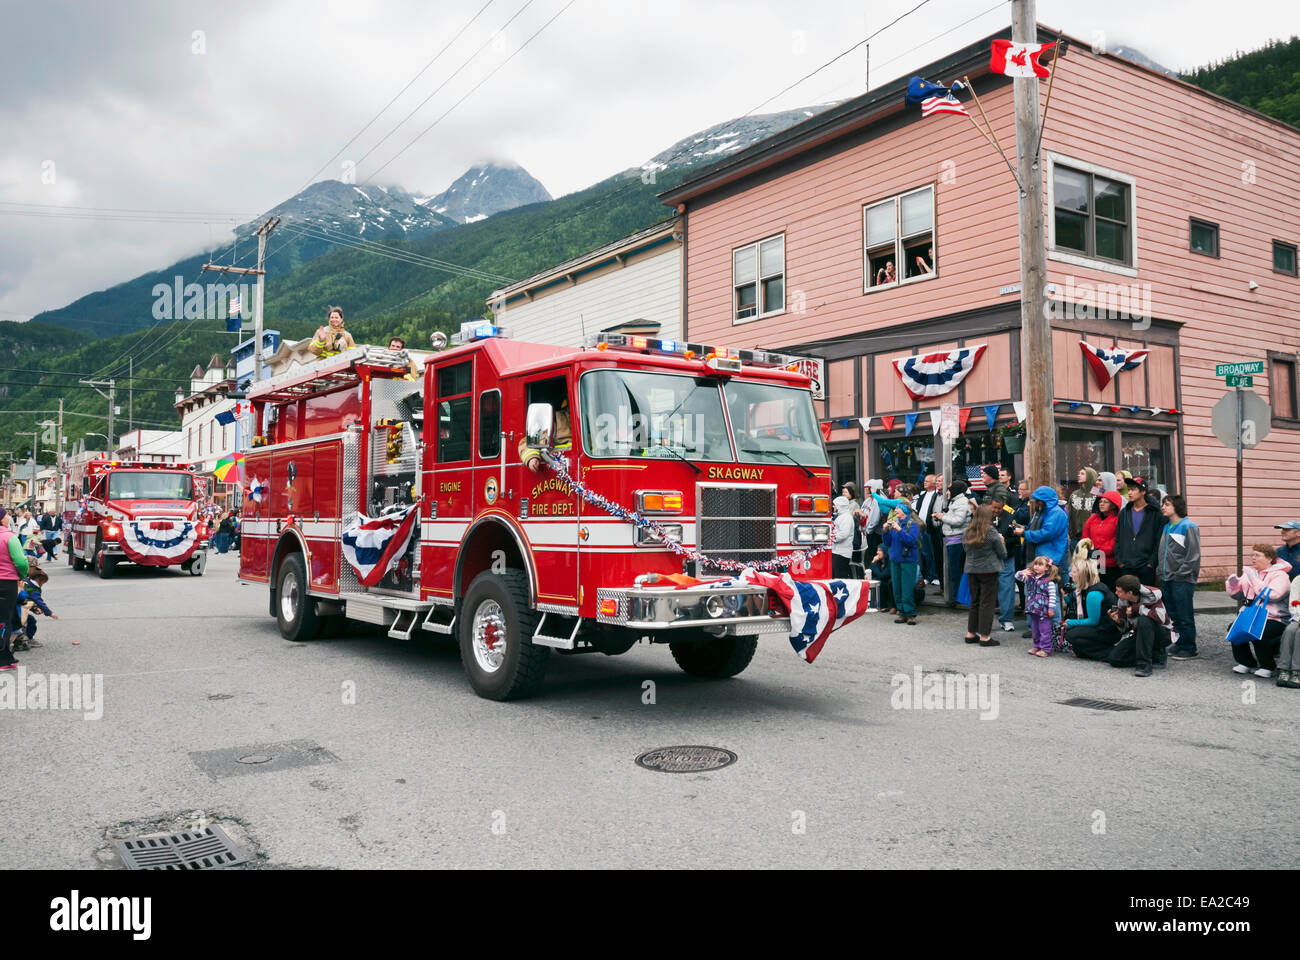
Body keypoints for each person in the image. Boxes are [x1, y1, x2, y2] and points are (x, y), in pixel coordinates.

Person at [1225, 544, 1292, 678]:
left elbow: (1273, 595)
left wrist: (1254, 580)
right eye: (1252, 555)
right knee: (1235, 628)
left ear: (1269, 559)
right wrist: (1232, 584)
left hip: (1275, 618)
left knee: (1259, 632)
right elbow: (1238, 596)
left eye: (1257, 555)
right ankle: (1246, 662)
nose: (1253, 558)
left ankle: (1268, 666)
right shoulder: (1251, 573)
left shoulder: (1280, 576)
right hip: (1252, 615)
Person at [1159, 494, 1201, 661]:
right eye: (1163, 504)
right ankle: (1180, 642)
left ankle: (1190, 647)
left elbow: (1193, 555)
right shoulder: (1167, 526)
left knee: (1185, 614)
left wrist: (1180, 573)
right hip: (1166, 577)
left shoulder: (1188, 526)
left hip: (1181, 579)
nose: (1163, 507)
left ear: (1177, 507)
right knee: (1173, 614)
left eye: (1167, 504)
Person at [1107, 574, 1171, 677]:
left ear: (1130, 593)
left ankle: (1144, 664)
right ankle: (1157, 655)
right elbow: (1126, 629)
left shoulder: (1151, 598)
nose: (1116, 593)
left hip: (1163, 634)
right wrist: (1118, 621)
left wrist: (1137, 609)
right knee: (1114, 659)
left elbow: (1161, 618)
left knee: (1144, 620)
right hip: (1141, 635)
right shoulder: (1122, 601)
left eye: (1119, 591)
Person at [962, 504, 1007, 646]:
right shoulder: (991, 532)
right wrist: (1002, 541)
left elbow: (965, 549)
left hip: (971, 569)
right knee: (987, 603)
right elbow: (1003, 554)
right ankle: (985, 636)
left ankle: (971, 633)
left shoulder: (967, 531)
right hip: (988, 570)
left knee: (974, 601)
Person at [1063, 552, 1120, 661]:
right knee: (1076, 641)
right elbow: (1074, 601)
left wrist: (1071, 623)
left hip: (1109, 630)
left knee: (1071, 635)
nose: (1071, 574)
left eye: (1074, 572)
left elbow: (1093, 621)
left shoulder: (1093, 593)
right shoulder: (1084, 587)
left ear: (1082, 574)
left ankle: (1108, 653)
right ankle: (1090, 652)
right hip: (1102, 626)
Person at [1114, 477, 1165, 586]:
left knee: (1146, 599)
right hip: (1126, 565)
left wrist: (1151, 562)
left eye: (1133, 490)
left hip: (1145, 565)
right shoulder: (1124, 512)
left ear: (1143, 491)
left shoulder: (1155, 513)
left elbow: (1159, 540)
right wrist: (1120, 561)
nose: (1130, 493)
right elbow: (1118, 537)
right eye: (1129, 489)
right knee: (1128, 599)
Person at [935, 479, 973, 604]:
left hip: (957, 540)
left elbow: (958, 521)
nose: (946, 493)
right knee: (955, 569)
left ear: (955, 490)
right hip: (953, 539)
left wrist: (942, 517)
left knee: (955, 570)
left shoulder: (961, 502)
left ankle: (957, 597)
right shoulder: (955, 501)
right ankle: (958, 596)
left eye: (949, 490)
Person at [0, 514, 30, 670]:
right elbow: (20, 561)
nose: (8, 518)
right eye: (5, 516)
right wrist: (22, 575)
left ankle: (6, 656)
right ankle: (2, 658)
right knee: (3, 620)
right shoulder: (9, 537)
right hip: (5, 582)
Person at [882, 504, 921, 625]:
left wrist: (899, 530)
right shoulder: (895, 523)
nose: (895, 512)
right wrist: (886, 531)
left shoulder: (912, 524)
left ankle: (910, 614)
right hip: (895, 559)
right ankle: (901, 612)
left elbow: (911, 542)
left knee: (907, 588)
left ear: (904, 511)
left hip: (908, 560)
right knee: (897, 588)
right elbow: (887, 543)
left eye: (898, 510)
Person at [1017, 555, 1060, 658]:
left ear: (1046, 568)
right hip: (1033, 609)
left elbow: (1053, 596)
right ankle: (1037, 646)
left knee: (1044, 630)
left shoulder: (1049, 581)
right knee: (1035, 629)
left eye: (1040, 565)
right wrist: (1022, 572)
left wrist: (1051, 609)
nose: (1036, 567)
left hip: (1043, 611)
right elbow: (1018, 577)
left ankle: (1046, 649)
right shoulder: (1030, 577)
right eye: (1035, 564)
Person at [990, 489, 1020, 632]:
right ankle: (985, 619)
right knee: (987, 589)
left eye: (999, 508)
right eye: (994, 507)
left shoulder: (1010, 518)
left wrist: (1003, 541)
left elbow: (1016, 539)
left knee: (1007, 588)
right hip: (988, 558)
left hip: (1006, 557)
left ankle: (1007, 619)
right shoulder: (984, 516)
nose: (996, 511)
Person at [1082, 490, 1122, 589]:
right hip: (1093, 561)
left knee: (1108, 588)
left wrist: (1099, 551)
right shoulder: (1093, 518)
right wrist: (1088, 550)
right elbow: (1085, 537)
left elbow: (1117, 540)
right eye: (1100, 501)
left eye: (1105, 502)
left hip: (1109, 563)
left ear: (1113, 504)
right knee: (1094, 589)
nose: (1101, 504)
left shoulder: (1118, 519)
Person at [913, 475, 944, 586]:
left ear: (934, 483)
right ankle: (928, 576)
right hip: (922, 528)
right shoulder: (923, 495)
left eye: (927, 481)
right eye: (924, 481)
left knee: (934, 553)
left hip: (932, 529)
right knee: (925, 553)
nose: (924, 483)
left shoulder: (937, 495)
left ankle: (936, 576)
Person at [1274, 574, 1300, 688]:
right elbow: (1294, 604)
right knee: (1290, 630)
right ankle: (1284, 669)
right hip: (1298, 617)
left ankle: (1297, 671)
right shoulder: (1298, 580)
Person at [1068, 468, 1100, 553]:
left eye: (1082, 473)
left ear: (1090, 476)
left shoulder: (1098, 493)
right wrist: (1071, 535)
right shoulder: (1074, 494)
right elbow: (1070, 515)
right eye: (1079, 473)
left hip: (1093, 539)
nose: (1079, 475)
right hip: (1076, 539)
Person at [831, 496, 855, 580]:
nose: (833, 506)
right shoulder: (841, 516)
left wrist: (830, 539)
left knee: (840, 576)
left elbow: (844, 534)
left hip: (842, 553)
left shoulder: (847, 518)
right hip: (837, 551)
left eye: (835, 505)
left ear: (840, 506)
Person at [869, 546, 894, 613]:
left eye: (880, 550)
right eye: (877, 550)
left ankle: (886, 606)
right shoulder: (878, 562)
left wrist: (873, 563)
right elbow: (871, 572)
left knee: (881, 583)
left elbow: (883, 575)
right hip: (882, 582)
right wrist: (873, 562)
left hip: (889, 584)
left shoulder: (890, 562)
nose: (877, 552)